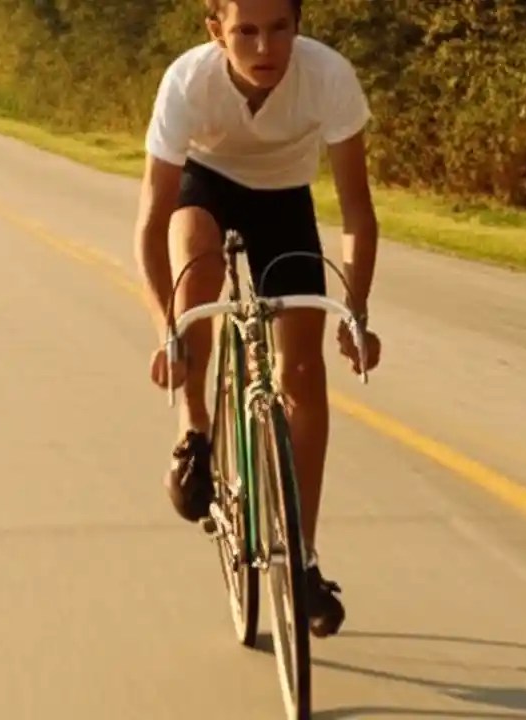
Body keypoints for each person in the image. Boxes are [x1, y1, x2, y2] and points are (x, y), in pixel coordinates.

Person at [132, 0, 382, 638]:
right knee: (197, 263)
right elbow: (151, 222)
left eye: (279, 29)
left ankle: (302, 561)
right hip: (206, 186)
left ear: (299, 25)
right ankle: (196, 431)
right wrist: (169, 328)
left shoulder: (328, 76)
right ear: (216, 31)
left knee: (302, 369)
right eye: (245, 30)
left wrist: (355, 311)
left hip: (284, 201)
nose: (264, 47)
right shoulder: (188, 82)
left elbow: (356, 208)